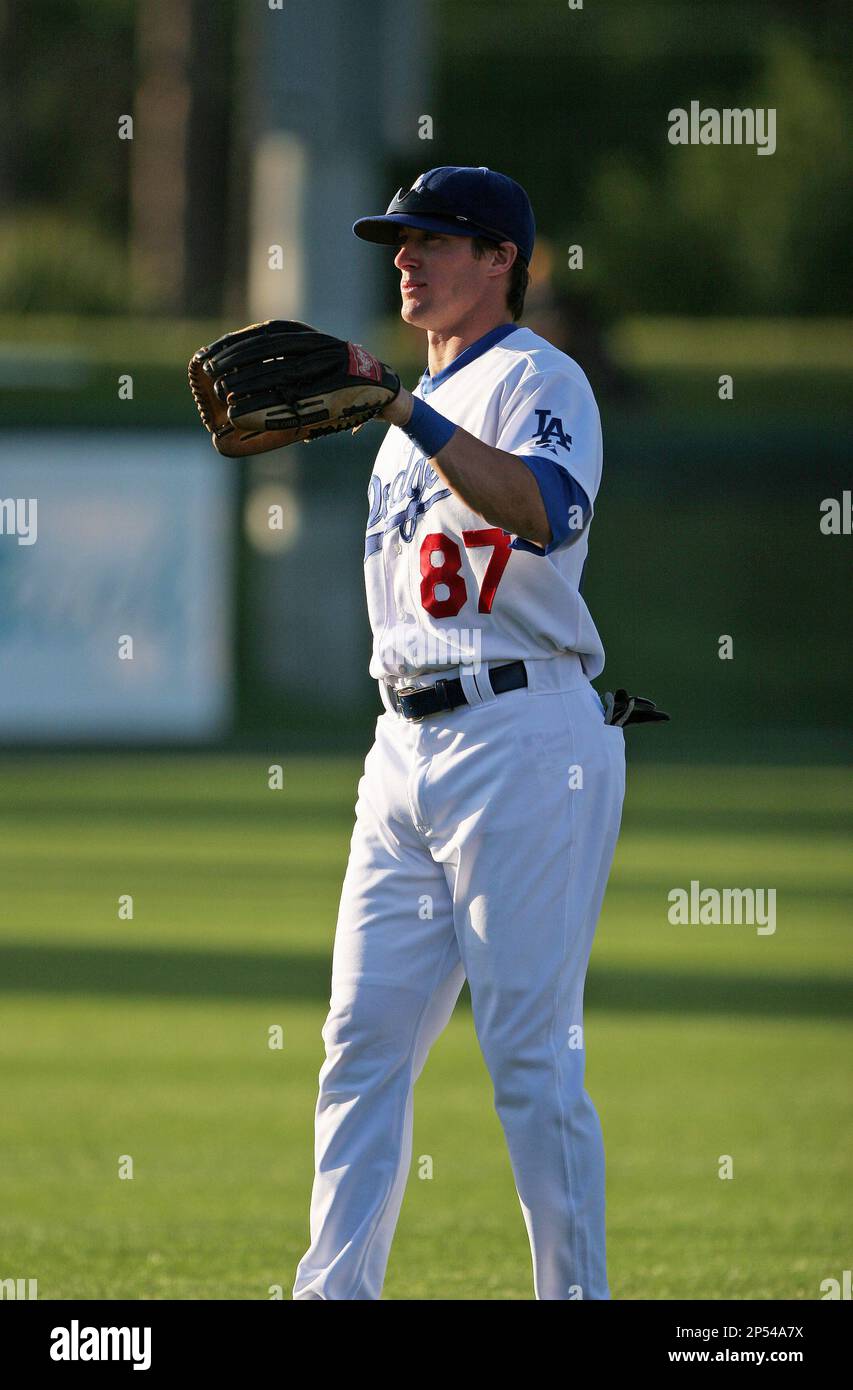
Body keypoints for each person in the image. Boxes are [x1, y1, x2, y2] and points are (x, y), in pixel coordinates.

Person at [292, 165, 626, 1301]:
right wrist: (402, 412)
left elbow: (542, 510)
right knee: (359, 1045)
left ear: (501, 262)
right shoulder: (400, 427)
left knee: (531, 1061)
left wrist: (404, 407)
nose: (407, 258)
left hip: (523, 734)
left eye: (436, 239)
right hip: (401, 752)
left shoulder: (540, 376)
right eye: (400, 240)